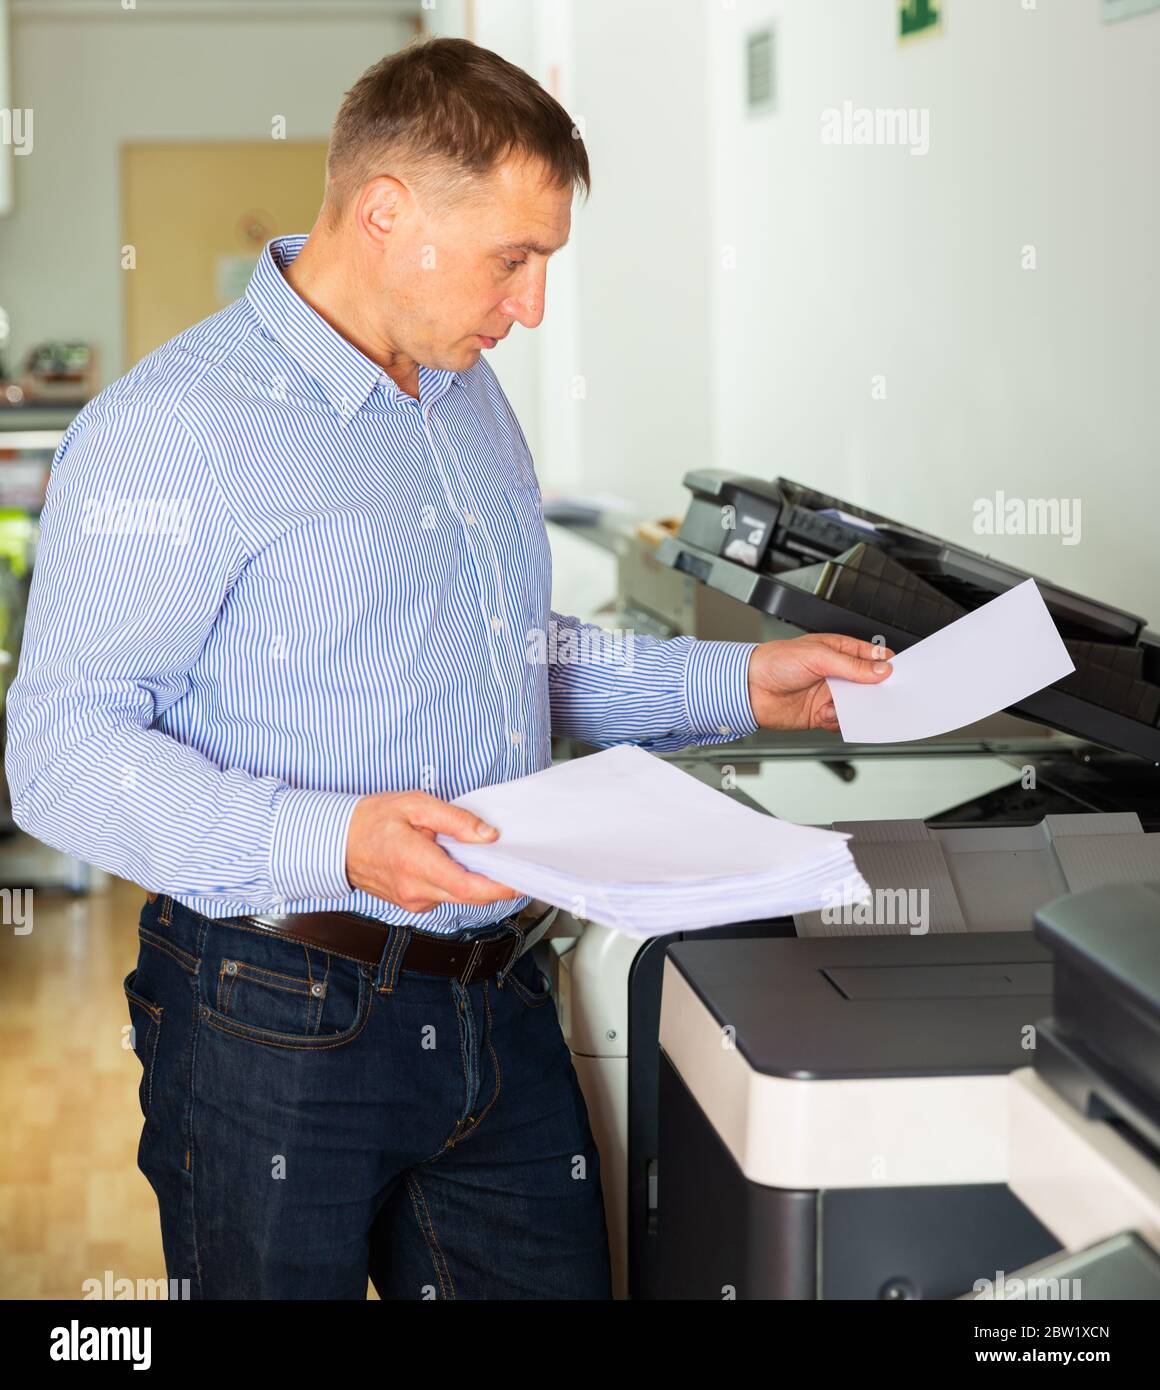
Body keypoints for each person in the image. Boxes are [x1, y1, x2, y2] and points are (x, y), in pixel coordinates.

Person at [4, 36, 892, 1300]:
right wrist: (336, 838)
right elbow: (58, 757)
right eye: (512, 260)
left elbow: (510, 657)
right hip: (273, 1012)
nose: (528, 304)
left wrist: (738, 686)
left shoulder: (468, 399)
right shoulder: (169, 430)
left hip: (498, 998)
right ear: (383, 213)